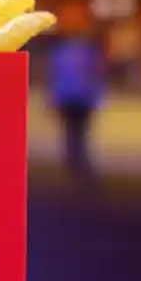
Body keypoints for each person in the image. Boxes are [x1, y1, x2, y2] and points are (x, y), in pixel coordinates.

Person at [49, 22, 104, 180]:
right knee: (80, 131)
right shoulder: (89, 52)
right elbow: (96, 75)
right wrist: (96, 97)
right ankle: (80, 160)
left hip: (66, 96)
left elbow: (55, 76)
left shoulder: (61, 51)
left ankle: (72, 159)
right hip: (82, 97)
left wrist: (53, 98)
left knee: (70, 130)